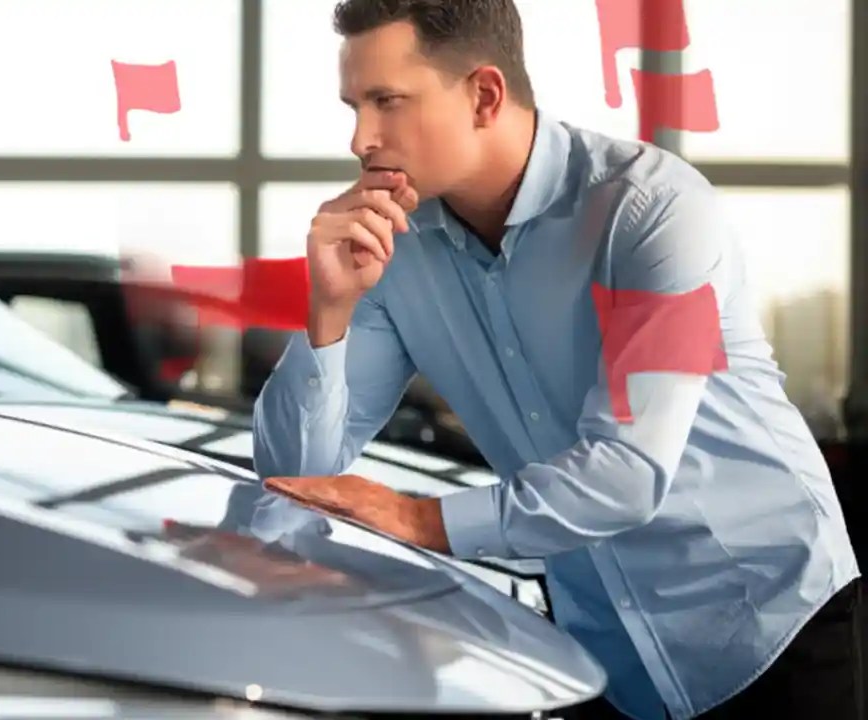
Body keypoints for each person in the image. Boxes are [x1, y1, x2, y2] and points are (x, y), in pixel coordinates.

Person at [250, 1, 863, 718]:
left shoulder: (653, 211)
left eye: (388, 101)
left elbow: (629, 474)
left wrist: (420, 520)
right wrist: (330, 310)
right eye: (355, 106)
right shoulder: (394, 248)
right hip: (607, 657)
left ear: (483, 95)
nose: (361, 138)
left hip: (768, 621)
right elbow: (296, 475)